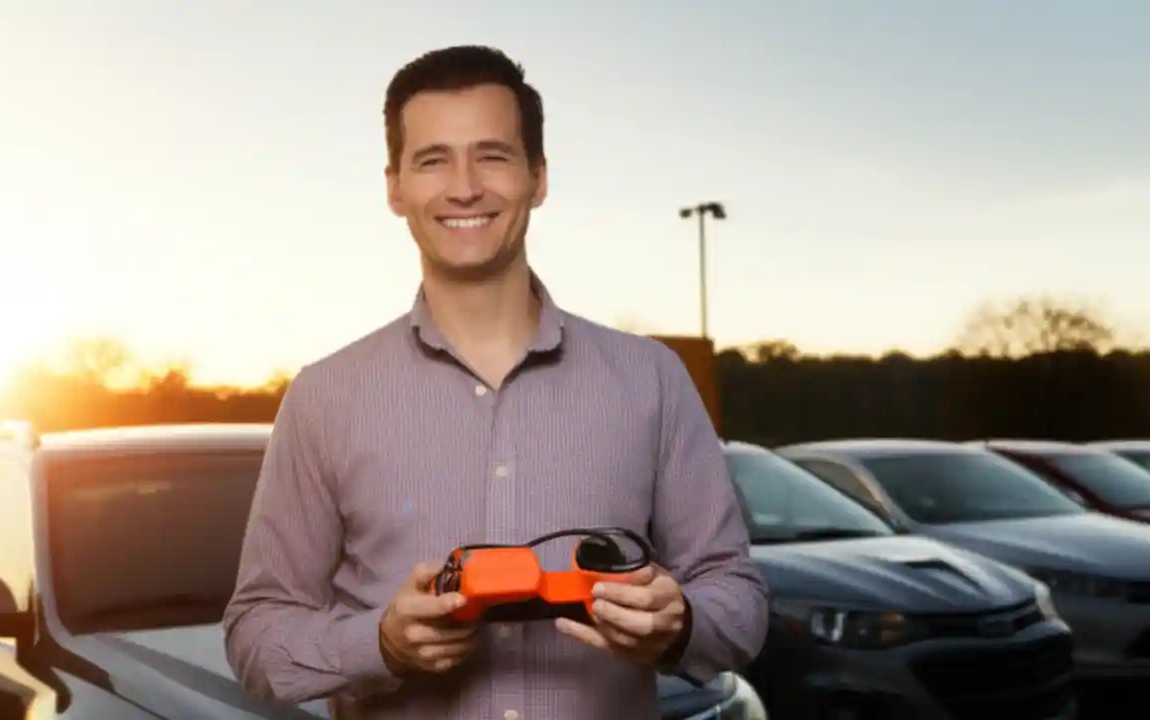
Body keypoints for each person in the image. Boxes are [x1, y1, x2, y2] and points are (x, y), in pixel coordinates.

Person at [224, 44, 768, 719]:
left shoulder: (651, 379)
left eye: (492, 155)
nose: (464, 187)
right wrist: (380, 644)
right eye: (433, 160)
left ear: (538, 177)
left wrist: (680, 622)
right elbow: (256, 638)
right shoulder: (324, 398)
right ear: (394, 187)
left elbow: (740, 604)